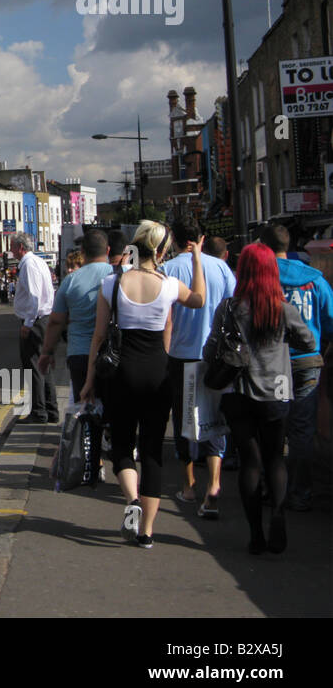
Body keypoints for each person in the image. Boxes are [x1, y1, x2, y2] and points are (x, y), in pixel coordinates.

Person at [80, 220, 205, 549]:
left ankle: (132, 499)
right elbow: (199, 300)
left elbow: (99, 335)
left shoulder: (111, 283)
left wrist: (90, 380)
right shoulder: (169, 285)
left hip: (121, 374)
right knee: (152, 451)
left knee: (121, 444)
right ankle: (146, 532)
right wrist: (197, 259)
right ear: (162, 251)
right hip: (157, 374)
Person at [207, 244, 315, 554]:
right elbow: (307, 340)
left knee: (250, 463)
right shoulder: (281, 308)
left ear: (242, 271)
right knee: (275, 459)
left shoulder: (229, 308)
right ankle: (278, 516)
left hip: (238, 393)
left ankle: (255, 535)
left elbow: (211, 348)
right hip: (277, 391)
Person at [256, 223, 333, 514]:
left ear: (262, 246)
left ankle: (270, 487)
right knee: (302, 430)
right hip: (306, 363)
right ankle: (300, 492)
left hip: (272, 363)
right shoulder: (314, 279)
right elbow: (330, 319)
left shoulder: (260, 278)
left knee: (273, 425)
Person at [161, 220, 235, 517]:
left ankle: (189, 484)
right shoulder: (220, 267)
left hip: (181, 354)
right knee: (215, 417)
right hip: (216, 355)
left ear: (174, 240)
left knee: (183, 418)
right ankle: (214, 483)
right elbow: (232, 308)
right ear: (201, 238)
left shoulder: (168, 270)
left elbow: (165, 319)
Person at [39, 228, 109, 403]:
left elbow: (56, 321)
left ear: (83, 253)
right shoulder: (118, 275)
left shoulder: (71, 281)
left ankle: (86, 429)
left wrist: (47, 352)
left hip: (79, 353)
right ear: (107, 250)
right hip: (111, 353)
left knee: (83, 405)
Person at [11, 233, 57, 423]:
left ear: (21, 247)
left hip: (35, 321)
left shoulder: (29, 265)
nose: (11, 250)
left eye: (12, 246)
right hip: (42, 319)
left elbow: (35, 296)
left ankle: (39, 412)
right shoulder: (38, 262)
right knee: (43, 365)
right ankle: (51, 410)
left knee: (33, 365)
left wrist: (28, 323)